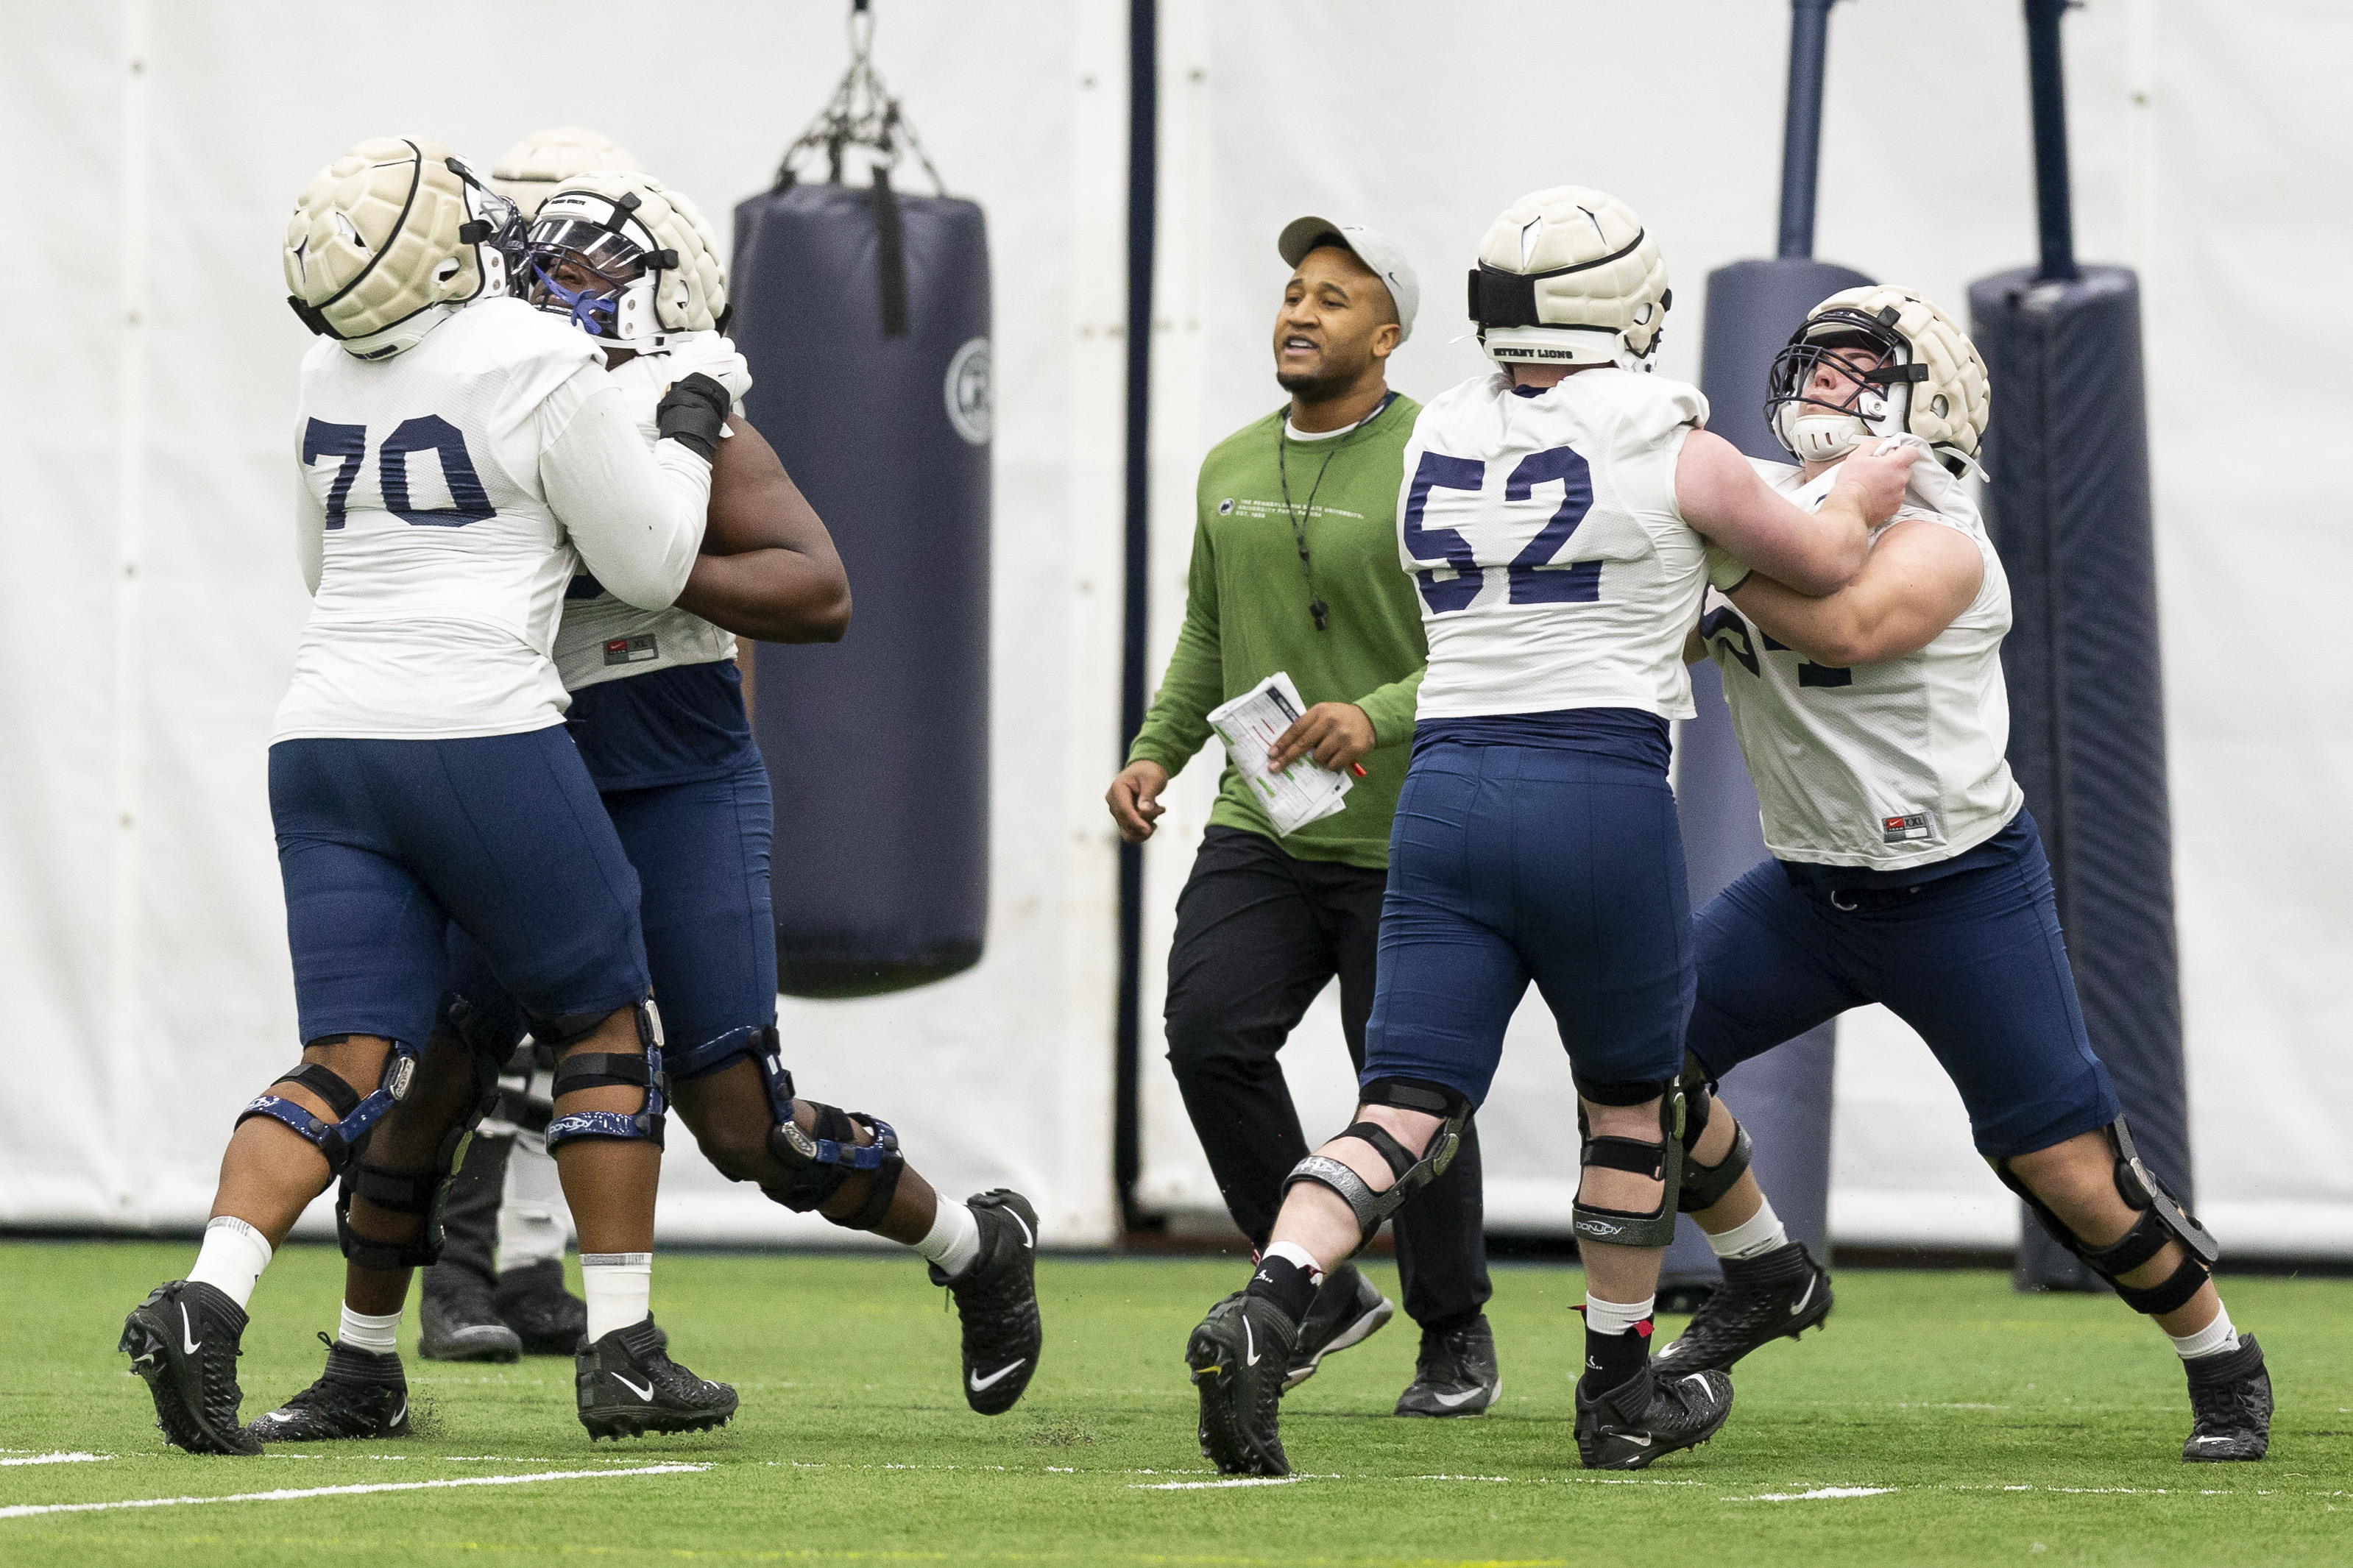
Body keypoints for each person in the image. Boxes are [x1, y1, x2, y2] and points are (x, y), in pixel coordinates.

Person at [246, 168, 1044, 1446]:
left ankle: (969, 1245)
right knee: (425, 1084)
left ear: (656, 296)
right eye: (545, 266)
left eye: (589, 275)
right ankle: (360, 1364)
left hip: (666, 768)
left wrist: (657, 556)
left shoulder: (676, 412)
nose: (558, 292)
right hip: (504, 766)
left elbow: (820, 588)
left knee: (744, 1124)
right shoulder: (488, 379)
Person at [1181, 185, 1920, 1478]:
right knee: (1630, 1104)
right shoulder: (1668, 438)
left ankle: (1271, 1303)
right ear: (1625, 306)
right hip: (1594, 789)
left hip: (1450, 790)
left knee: (1401, 1103)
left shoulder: (1433, 435)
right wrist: (1862, 486)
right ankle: (1615, 1387)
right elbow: (1816, 563)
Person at [118, 135, 737, 1452]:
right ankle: (623, 1348)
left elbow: (315, 563)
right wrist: (688, 424)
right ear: (444, 248)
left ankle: (209, 1299)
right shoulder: (540, 357)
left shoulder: (319, 366)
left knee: (350, 1061)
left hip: (321, 737)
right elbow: (648, 562)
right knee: (605, 1023)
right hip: (476, 730)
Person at [1650, 288, 2274, 1465]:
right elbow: (1664, 622)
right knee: (1635, 1059)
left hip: (1956, 891)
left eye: (1853, 367)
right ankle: (1761, 1269)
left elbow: (1851, 627)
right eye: (1816, 362)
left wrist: (1706, 568)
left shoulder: (1944, 537)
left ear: (1920, 401)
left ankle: (2219, 1357)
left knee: (2067, 1176)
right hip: (1804, 891)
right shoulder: (1772, 511)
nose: (1821, 384)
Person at [1109, 218, 1501, 1414]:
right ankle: (1318, 1287)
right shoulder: (1228, 464)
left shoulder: (1440, 453)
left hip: (1407, 832)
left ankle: (1453, 1332)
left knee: (1411, 1090)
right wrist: (1152, 751)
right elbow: (1209, 637)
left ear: (1386, 337)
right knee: (1207, 1034)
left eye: (1334, 299)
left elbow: (1486, 644)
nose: (1300, 313)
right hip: (1261, 821)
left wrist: (1373, 715)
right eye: (1292, 292)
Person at [400, 126, 654, 1366]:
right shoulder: (482, 366)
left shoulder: (612, 368)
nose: (579, 268)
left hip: (587, 714)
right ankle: (448, 1271)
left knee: (591, 1007)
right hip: (486, 714)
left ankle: (527, 1262)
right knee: (472, 1013)